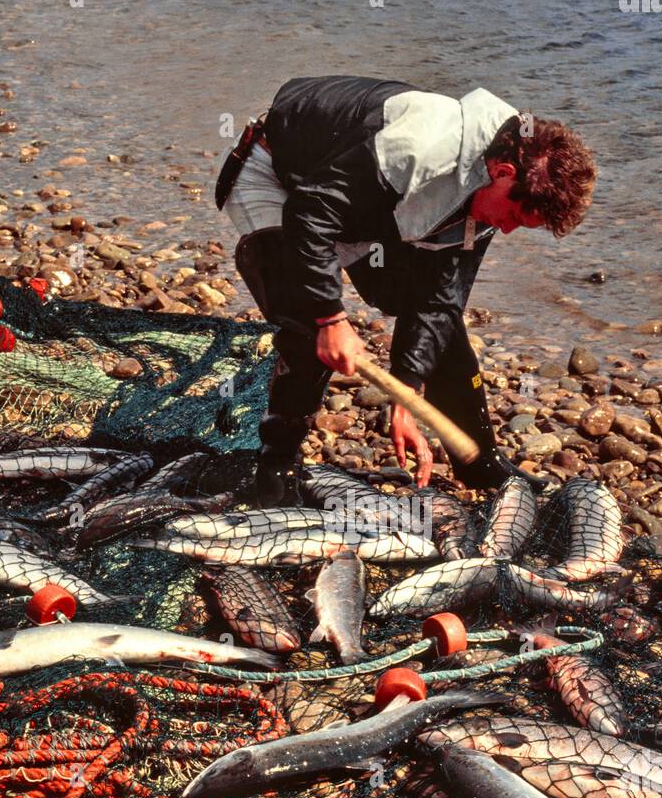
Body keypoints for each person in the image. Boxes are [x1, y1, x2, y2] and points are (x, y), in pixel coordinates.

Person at [215, 75, 596, 507]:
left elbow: (440, 298)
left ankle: (478, 459)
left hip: (362, 203)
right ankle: (277, 465)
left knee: (437, 314)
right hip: (278, 172)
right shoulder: (417, 148)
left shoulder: (492, 188)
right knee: (306, 323)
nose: (506, 228)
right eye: (513, 217)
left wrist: (407, 387)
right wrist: (331, 317)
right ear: (503, 173)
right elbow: (309, 216)